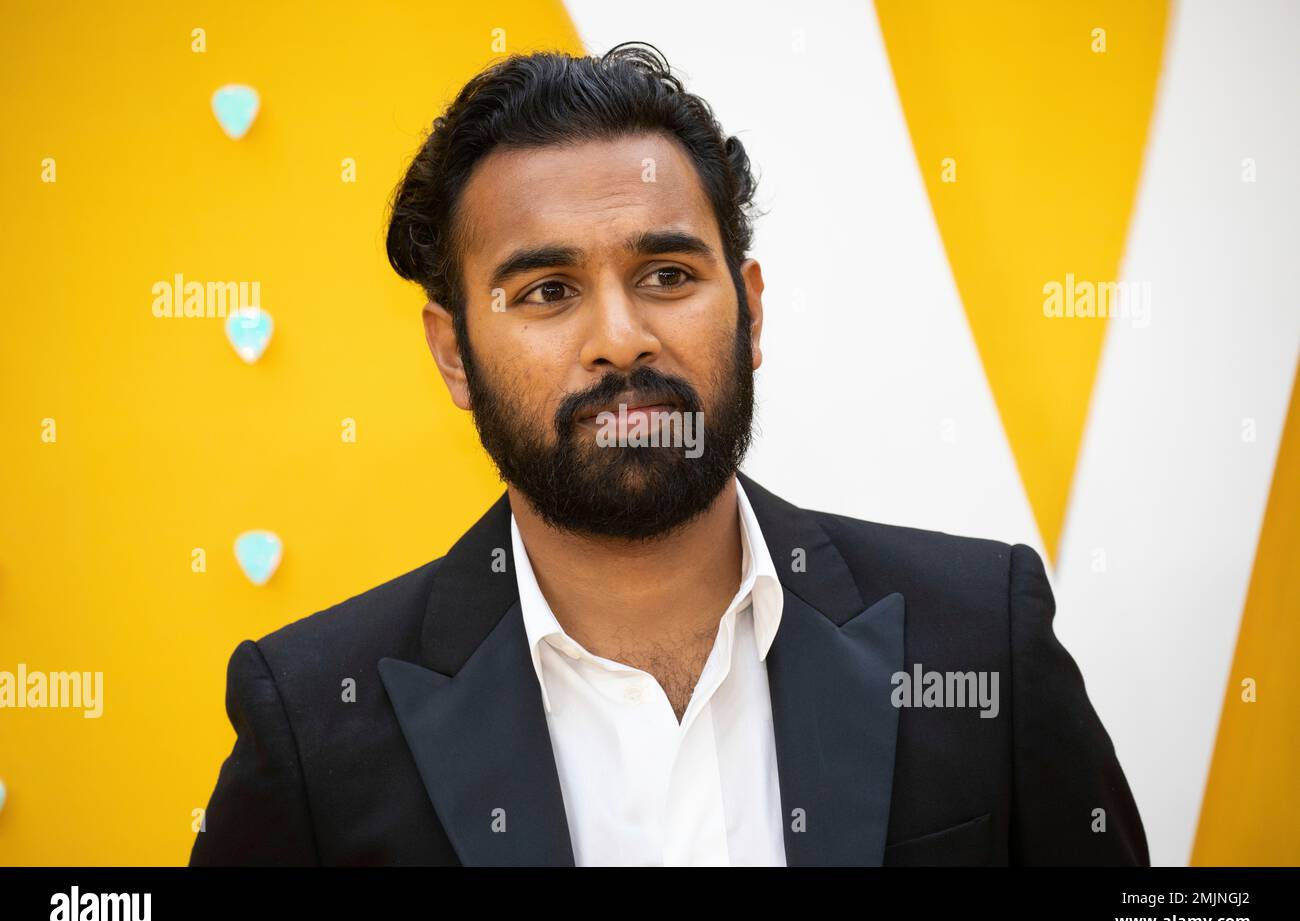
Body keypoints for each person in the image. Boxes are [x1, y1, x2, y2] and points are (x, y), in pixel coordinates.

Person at [190, 43, 1147, 866]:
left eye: (666, 275)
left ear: (752, 308)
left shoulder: (982, 637)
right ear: (455, 355)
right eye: (547, 291)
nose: (621, 337)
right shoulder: (315, 722)